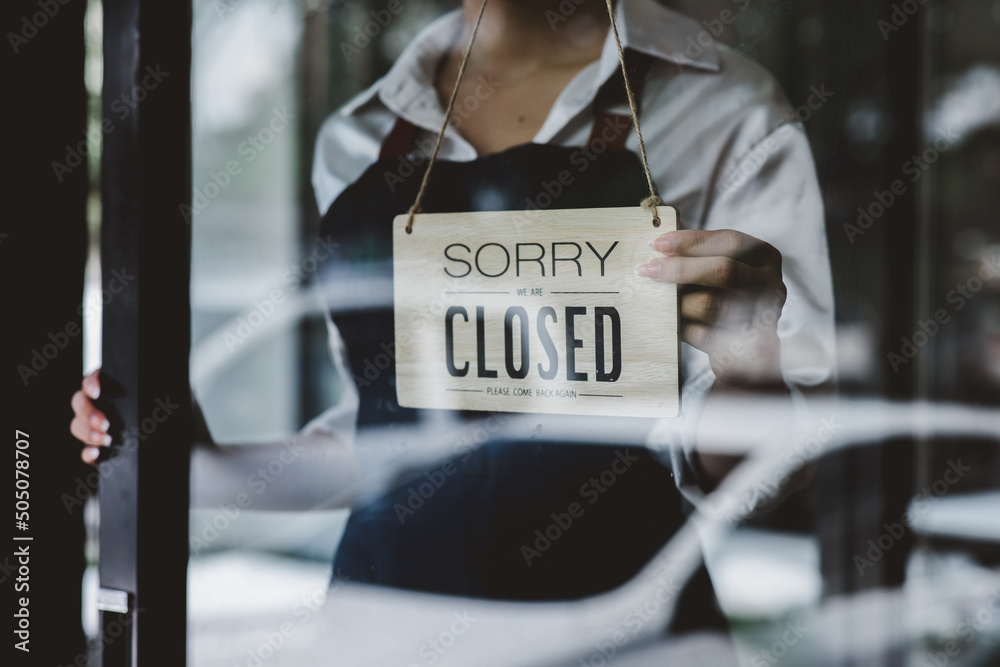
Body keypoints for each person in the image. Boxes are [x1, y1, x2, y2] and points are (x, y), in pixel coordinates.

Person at [71, 0, 834, 612]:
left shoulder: (724, 110)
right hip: (392, 623)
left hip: (608, 630)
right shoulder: (359, 137)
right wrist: (191, 466)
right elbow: (383, 445)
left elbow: (759, 475)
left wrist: (748, 357)